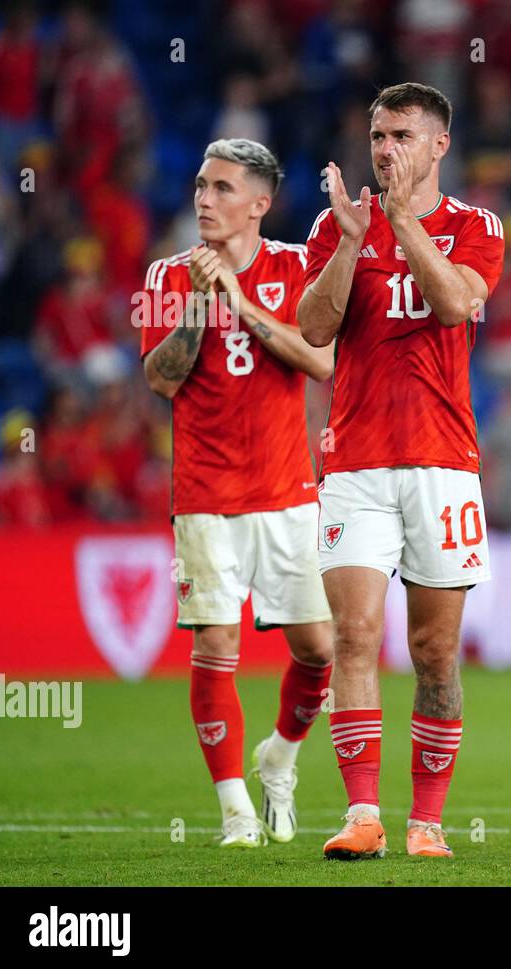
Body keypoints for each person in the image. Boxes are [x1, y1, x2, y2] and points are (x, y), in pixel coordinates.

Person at [297, 82, 504, 859]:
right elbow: (314, 329)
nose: (386, 150)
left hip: (443, 464)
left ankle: (427, 822)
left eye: (403, 136)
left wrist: (402, 221)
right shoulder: (334, 225)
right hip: (355, 462)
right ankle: (362, 815)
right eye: (378, 136)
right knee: (353, 637)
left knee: (434, 651)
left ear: (440, 145)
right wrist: (352, 242)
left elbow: (454, 304)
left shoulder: (476, 226)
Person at [139, 139, 336, 847]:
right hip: (205, 493)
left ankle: (278, 756)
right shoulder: (167, 276)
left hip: (287, 491)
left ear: (259, 203)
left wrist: (239, 301)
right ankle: (235, 812)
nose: (204, 198)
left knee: (319, 651)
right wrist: (200, 304)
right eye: (200, 184)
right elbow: (161, 379)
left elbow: (319, 359)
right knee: (216, 643)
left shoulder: (294, 266)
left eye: (222, 188)